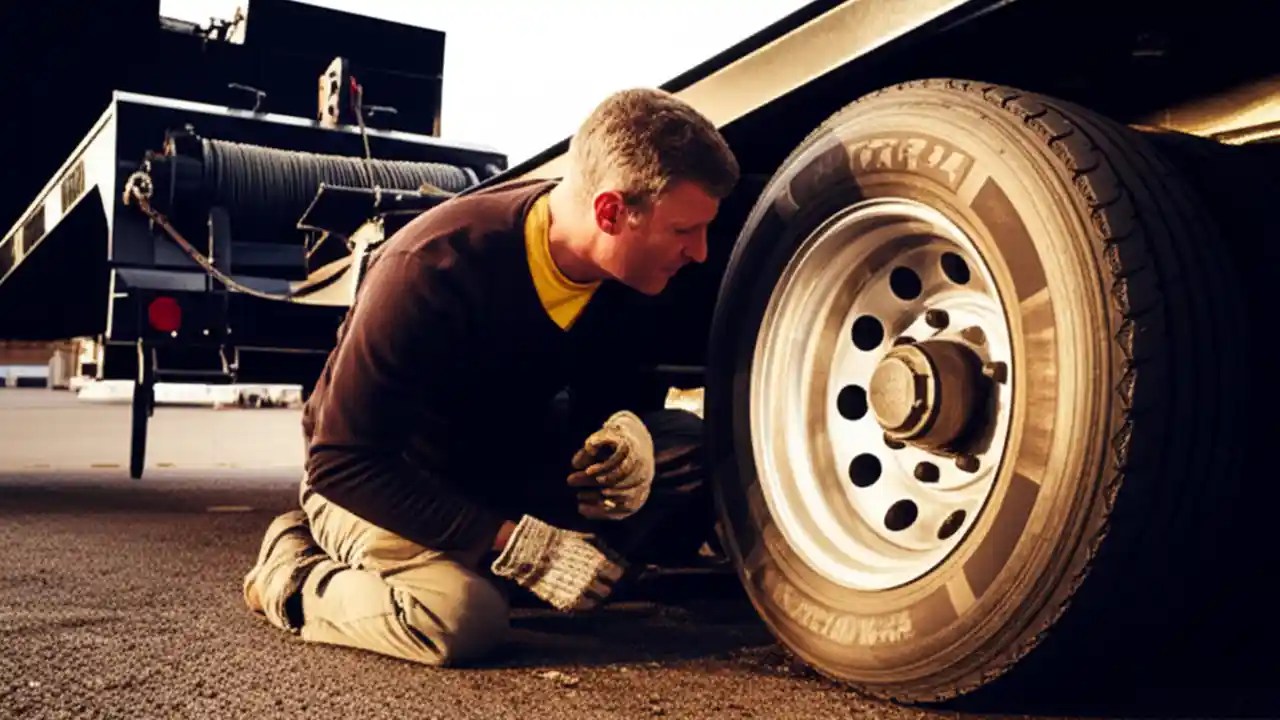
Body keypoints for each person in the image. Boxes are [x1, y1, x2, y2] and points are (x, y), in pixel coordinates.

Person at [242, 87, 740, 667]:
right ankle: (293, 571)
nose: (701, 252)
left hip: (493, 462)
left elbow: (609, 395)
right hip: (383, 485)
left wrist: (626, 437)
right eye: (684, 231)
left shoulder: (628, 272)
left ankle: (498, 556)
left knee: (688, 444)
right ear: (610, 212)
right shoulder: (430, 271)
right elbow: (341, 461)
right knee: (461, 618)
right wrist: (515, 544)